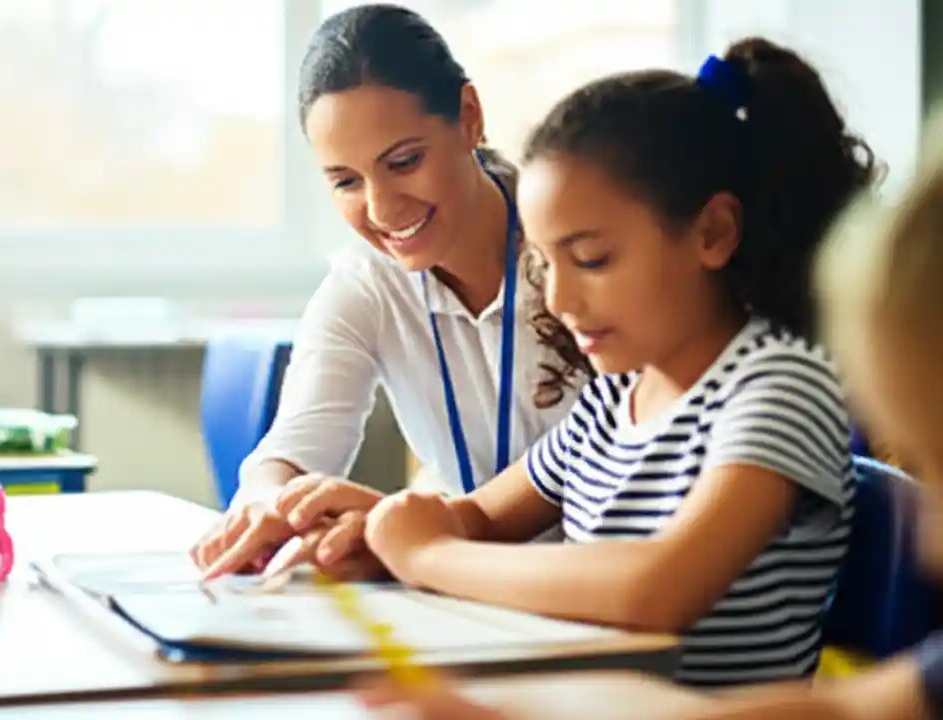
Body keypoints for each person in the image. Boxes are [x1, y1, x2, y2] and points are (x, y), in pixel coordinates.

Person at [357, 110, 943, 720]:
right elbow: (475, 517)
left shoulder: (780, 387)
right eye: (543, 264)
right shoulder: (616, 396)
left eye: (591, 258)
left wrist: (426, 556)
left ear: (712, 233)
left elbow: (655, 591)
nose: (557, 299)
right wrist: (375, 528)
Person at [190, 3, 590, 581]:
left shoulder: (583, 258)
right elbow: (294, 448)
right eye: (346, 181)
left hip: (582, 581)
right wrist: (269, 501)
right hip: (464, 582)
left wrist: (399, 529)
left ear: (469, 117)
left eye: (403, 162)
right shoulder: (367, 281)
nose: (380, 209)